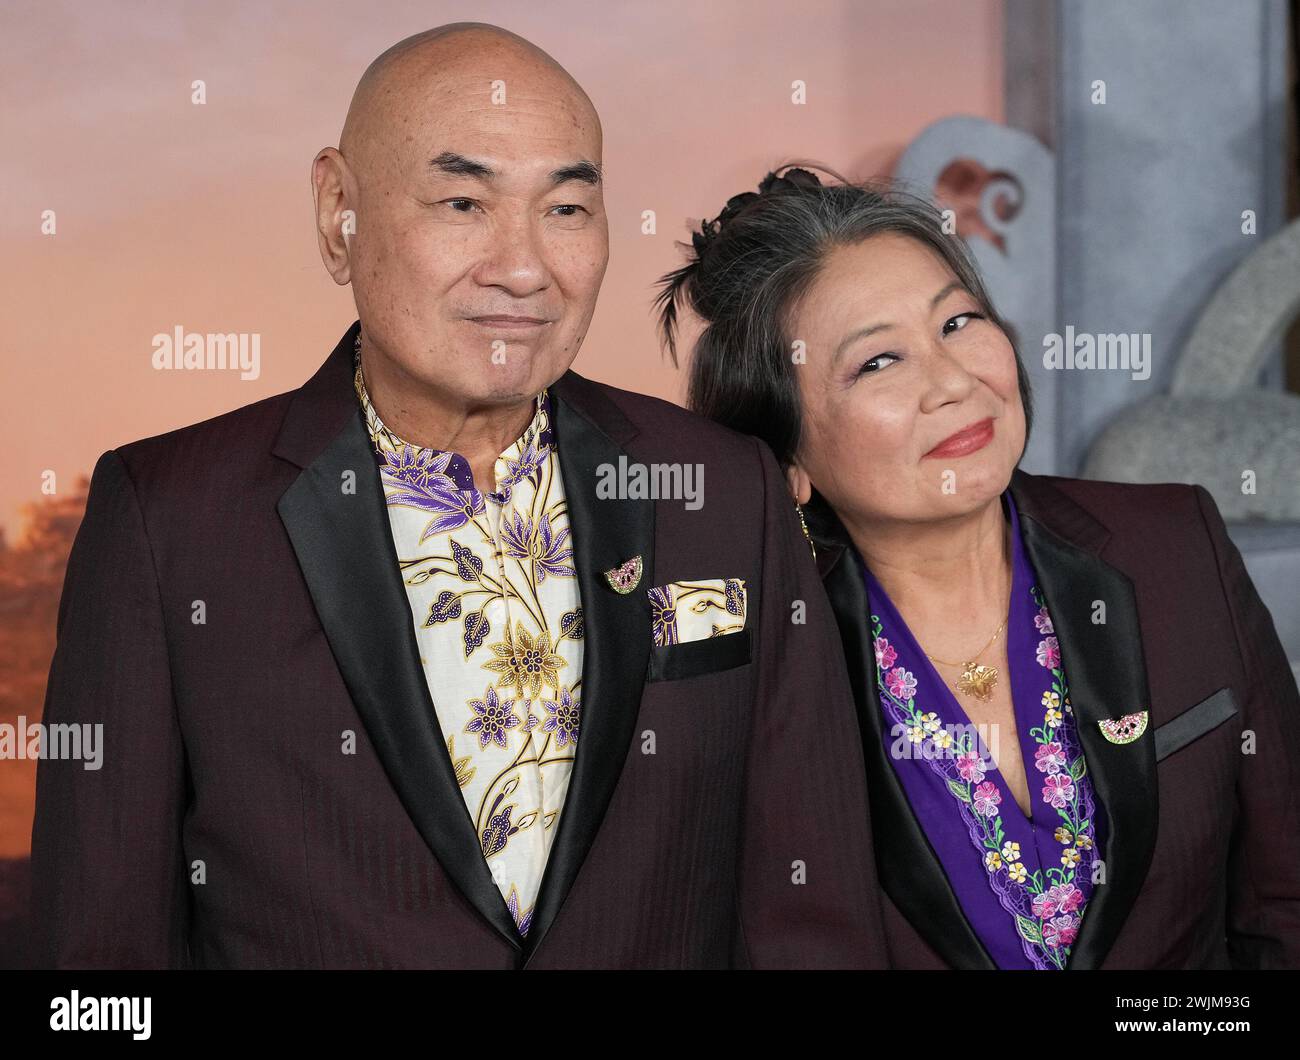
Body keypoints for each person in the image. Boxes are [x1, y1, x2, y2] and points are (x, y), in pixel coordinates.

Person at [29, 29, 886, 969]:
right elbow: (99, 961)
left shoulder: (723, 490)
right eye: (464, 202)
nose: (523, 267)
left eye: (566, 208)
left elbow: (817, 923)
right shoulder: (169, 520)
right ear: (339, 213)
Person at [657, 164, 1300, 969]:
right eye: (878, 363)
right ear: (787, 462)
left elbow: (1287, 898)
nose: (954, 382)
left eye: (958, 322)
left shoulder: (1175, 546)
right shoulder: (751, 659)